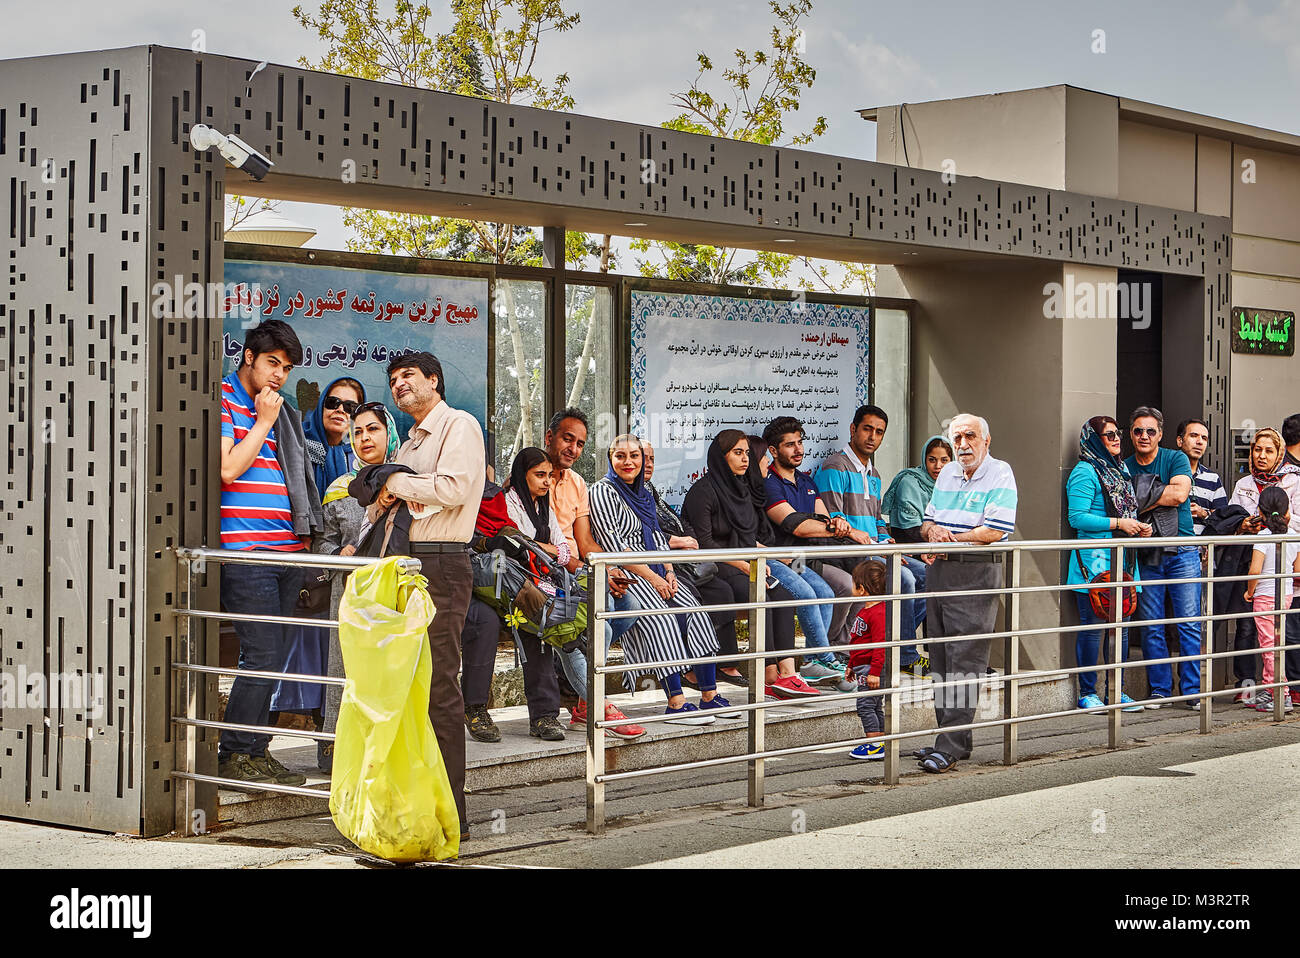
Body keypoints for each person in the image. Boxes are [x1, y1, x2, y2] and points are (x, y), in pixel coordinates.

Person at [371, 351, 484, 840]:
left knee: (439, 688)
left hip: (441, 562)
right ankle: (412, 810)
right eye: (393, 380)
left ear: (434, 379)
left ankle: (449, 815)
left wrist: (395, 481)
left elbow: (454, 488)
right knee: (406, 691)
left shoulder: (460, 426)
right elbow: (387, 503)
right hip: (405, 564)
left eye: (408, 376)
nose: (399, 385)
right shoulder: (411, 440)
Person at [217, 319, 319, 787]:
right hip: (247, 550)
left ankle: (256, 751)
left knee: (275, 656)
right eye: (272, 363)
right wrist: (260, 420)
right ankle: (233, 752)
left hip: (287, 547)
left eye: (287, 367)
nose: (279, 375)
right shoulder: (226, 399)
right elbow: (227, 469)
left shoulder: (281, 411)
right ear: (248, 358)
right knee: (259, 654)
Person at [588, 435, 731, 724]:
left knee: (696, 614)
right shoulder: (602, 491)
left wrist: (668, 571)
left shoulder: (644, 492)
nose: (628, 462)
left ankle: (708, 696)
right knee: (662, 619)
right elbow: (615, 546)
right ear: (610, 459)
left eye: (634, 456)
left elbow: (657, 536)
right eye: (620, 456)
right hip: (628, 573)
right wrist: (654, 577)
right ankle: (676, 704)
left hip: (658, 571)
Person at [682, 430, 821, 700]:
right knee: (762, 598)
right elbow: (704, 544)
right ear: (721, 458)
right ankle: (767, 675)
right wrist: (745, 565)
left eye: (746, 453)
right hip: (715, 567)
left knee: (782, 595)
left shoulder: (742, 490)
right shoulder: (703, 491)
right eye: (737, 453)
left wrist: (766, 556)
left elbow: (747, 536)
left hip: (743, 564)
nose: (745, 459)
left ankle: (788, 674)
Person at [914, 413, 1017, 773]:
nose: (962, 445)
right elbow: (928, 519)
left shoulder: (1000, 472)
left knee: (966, 659)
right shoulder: (946, 473)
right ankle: (953, 738)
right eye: (957, 438)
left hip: (975, 568)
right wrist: (931, 534)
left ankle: (950, 744)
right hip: (941, 567)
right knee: (940, 654)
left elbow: (994, 530)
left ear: (986, 440)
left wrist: (951, 537)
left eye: (970, 436)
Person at [540, 408, 645, 739]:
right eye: (567, 439)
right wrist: (588, 571)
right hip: (547, 573)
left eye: (580, 443)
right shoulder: (531, 474)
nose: (573, 448)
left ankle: (585, 702)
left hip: (578, 569)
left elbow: (584, 540)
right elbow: (538, 543)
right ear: (549, 438)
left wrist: (607, 568)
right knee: (597, 616)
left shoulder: (577, 482)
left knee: (629, 607)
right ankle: (597, 701)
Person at [314, 400, 401, 771]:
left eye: (373, 429)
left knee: (389, 671)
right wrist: (339, 553)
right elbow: (320, 542)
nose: (365, 437)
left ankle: (385, 752)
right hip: (349, 592)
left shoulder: (406, 479)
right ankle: (336, 746)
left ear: (390, 434)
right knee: (343, 668)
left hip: (395, 594)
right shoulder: (339, 489)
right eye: (358, 431)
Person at [816, 404, 928, 677]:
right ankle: (904, 654)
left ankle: (892, 645)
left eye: (879, 432)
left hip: (876, 550)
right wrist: (878, 551)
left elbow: (878, 519)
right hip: (849, 553)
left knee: (928, 575)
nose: (873, 437)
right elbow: (835, 522)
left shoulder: (874, 474)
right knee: (905, 579)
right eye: (867, 429)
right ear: (853, 429)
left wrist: (888, 542)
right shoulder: (835, 466)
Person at [761, 417, 858, 692]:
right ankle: (823, 658)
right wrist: (833, 528)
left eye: (800, 442)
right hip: (779, 557)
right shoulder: (769, 482)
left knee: (833, 591)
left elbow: (822, 520)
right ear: (773, 450)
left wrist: (835, 524)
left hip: (804, 559)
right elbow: (797, 526)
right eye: (790, 445)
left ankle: (817, 661)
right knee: (813, 593)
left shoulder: (806, 480)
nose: (798, 449)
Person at [1065, 417, 1148, 713]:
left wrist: (1136, 526)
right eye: (1109, 434)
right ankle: (1088, 692)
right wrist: (1119, 523)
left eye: (1117, 433)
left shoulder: (1120, 468)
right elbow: (1078, 518)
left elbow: (1128, 509)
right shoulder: (1085, 471)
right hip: (1094, 562)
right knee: (1093, 627)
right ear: (1094, 439)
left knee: (1121, 628)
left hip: (1122, 560)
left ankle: (1116, 691)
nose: (1116, 438)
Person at [1125, 406, 1202, 710]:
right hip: (1146, 552)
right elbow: (1123, 509)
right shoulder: (1125, 465)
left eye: (1151, 431)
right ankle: (1160, 690)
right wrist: (1158, 492)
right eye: (1138, 431)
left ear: (1161, 434)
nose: (1144, 436)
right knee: (1151, 624)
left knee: (1188, 623)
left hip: (1182, 548)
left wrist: (1139, 493)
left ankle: (1192, 691)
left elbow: (1179, 496)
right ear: (1130, 433)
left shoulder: (1175, 457)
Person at [1241, 486, 1300, 713]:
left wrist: (1249, 592)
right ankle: (1270, 689)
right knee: (1277, 644)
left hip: (1264, 597)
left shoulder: (1263, 537)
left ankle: (1280, 694)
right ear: (1287, 512)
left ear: (1260, 511)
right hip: (1285, 596)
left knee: (1268, 647)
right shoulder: (1294, 536)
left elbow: (1254, 571)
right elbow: (1297, 569)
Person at [845, 560, 890, 760]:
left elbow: (881, 645)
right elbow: (858, 641)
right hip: (862, 666)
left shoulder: (879, 612)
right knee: (873, 705)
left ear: (861, 589)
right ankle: (880, 741)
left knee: (865, 705)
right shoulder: (865, 610)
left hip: (871, 668)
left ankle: (874, 744)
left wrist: (874, 671)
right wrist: (850, 665)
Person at [882, 435, 953, 543]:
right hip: (911, 550)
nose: (938, 466)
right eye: (932, 460)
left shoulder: (954, 485)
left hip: (945, 548)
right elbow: (909, 530)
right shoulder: (909, 483)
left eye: (944, 460)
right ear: (924, 460)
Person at [303, 376, 366, 493]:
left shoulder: (361, 458)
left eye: (350, 407)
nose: (341, 409)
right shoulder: (295, 444)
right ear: (321, 406)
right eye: (333, 402)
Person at [1176, 418, 1227, 536]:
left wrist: (1203, 513)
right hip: (1170, 548)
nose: (1200, 442)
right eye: (1194, 436)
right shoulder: (1166, 473)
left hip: (1203, 550)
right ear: (1180, 441)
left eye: (1204, 438)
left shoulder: (1213, 479)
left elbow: (1224, 521)